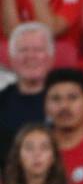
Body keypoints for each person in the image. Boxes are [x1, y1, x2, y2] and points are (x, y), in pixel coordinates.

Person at [0, 23, 54, 159]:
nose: (31, 56)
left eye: (38, 50)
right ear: (11, 59)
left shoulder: (65, 101)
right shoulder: (2, 100)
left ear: (50, 57)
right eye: (23, 50)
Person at [2, 122, 66, 184]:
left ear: (54, 156)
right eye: (29, 148)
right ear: (18, 156)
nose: (37, 154)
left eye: (44, 147)